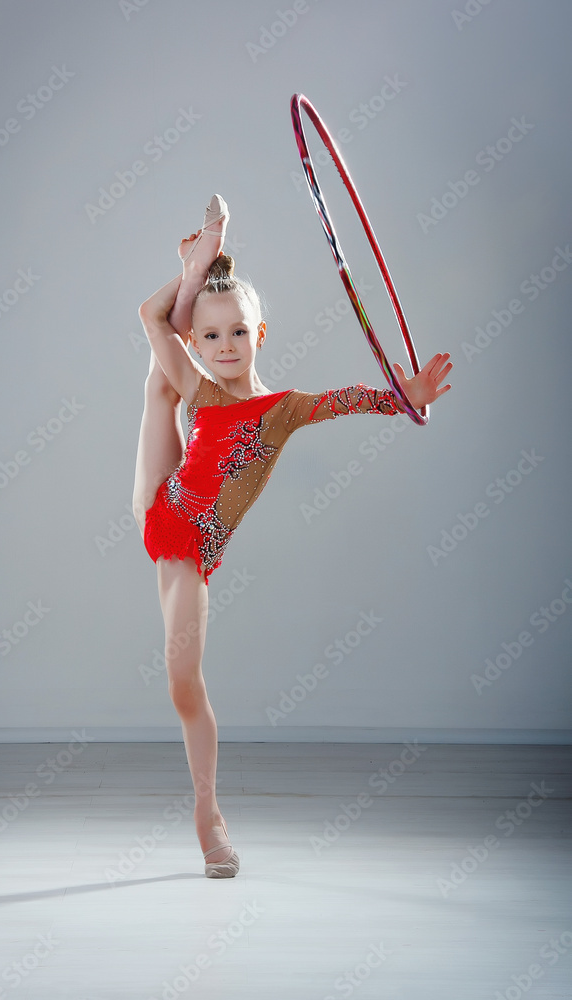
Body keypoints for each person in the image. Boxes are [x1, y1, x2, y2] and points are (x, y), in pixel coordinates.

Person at [132, 195, 452, 878]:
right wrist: (194, 269)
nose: (224, 348)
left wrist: (406, 395)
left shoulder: (282, 411)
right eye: (211, 336)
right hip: (165, 514)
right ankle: (208, 816)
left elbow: (348, 401)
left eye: (237, 334)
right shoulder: (201, 386)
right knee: (163, 384)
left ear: (261, 334)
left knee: (182, 687)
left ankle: (206, 808)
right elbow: (152, 319)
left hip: (197, 546)